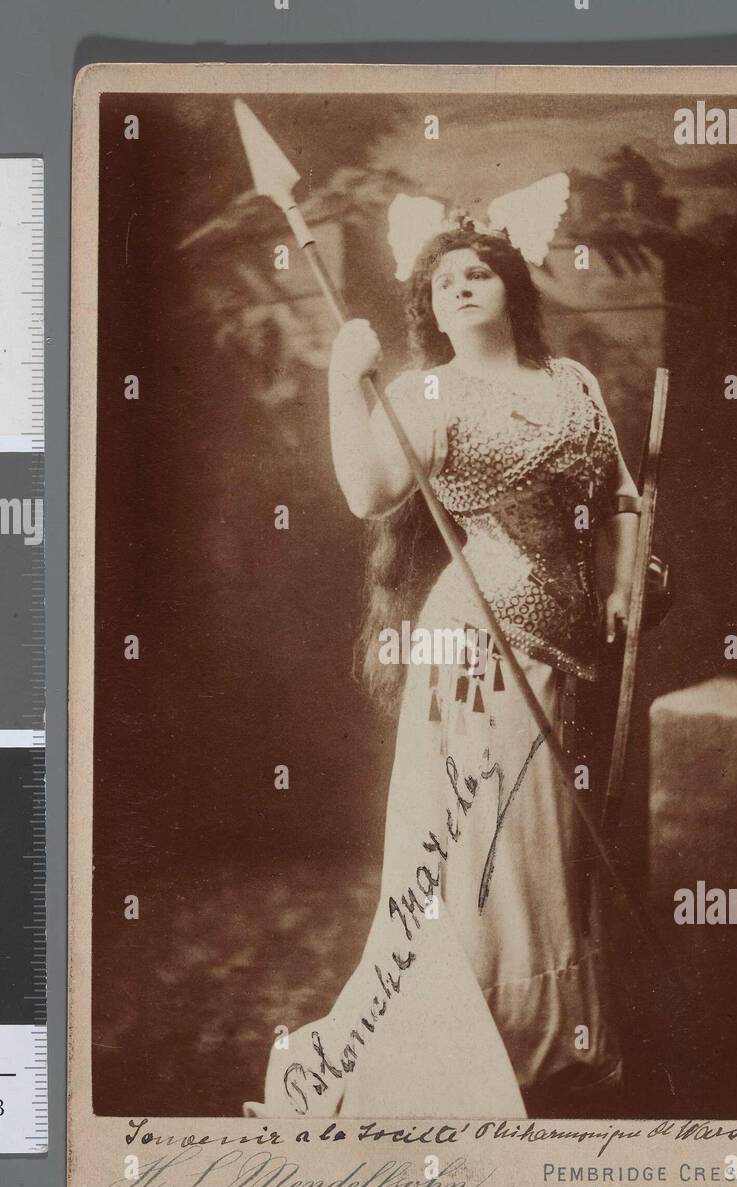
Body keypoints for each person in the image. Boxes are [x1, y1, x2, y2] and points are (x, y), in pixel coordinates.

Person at [245, 224, 641, 1122]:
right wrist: (345, 385)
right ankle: (485, 1043)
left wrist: (620, 583)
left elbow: (619, 495)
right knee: (475, 849)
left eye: (479, 273)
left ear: (513, 288)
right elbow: (369, 492)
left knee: (545, 848)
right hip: (474, 647)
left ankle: (554, 1038)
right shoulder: (428, 392)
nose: (460, 287)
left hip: (569, 650)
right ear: (425, 306)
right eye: (442, 281)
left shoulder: (572, 383)